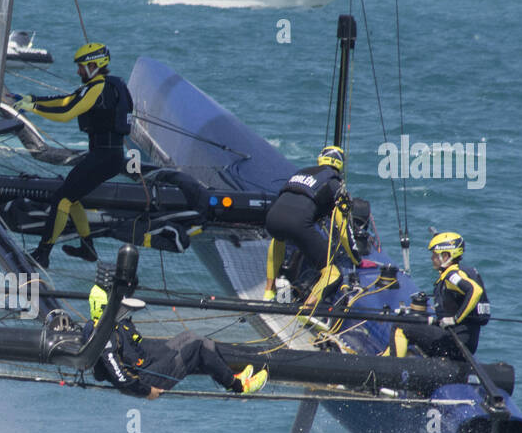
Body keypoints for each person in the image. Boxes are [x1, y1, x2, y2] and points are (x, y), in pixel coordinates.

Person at [11, 42, 134, 268]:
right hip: (106, 156)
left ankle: (42, 253)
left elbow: (67, 112)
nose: (78, 71)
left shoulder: (99, 88)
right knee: (71, 198)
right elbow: (66, 100)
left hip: (104, 158)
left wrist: (33, 109)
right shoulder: (98, 85)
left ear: (94, 65)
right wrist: (33, 99)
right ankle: (88, 249)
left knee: (62, 199)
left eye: (81, 67)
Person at [81, 282, 268, 398]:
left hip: (146, 362)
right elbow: (120, 378)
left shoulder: (110, 324)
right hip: (145, 379)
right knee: (198, 346)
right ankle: (238, 387)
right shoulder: (102, 334)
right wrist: (147, 391)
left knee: (191, 337)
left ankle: (229, 376)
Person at [263, 144, 357, 308]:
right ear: (341, 165)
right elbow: (343, 228)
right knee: (332, 273)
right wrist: (356, 257)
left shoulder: (301, 172)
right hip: (298, 225)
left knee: (278, 240)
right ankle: (307, 309)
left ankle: (268, 292)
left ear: (320, 158)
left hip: (272, 219)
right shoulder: (335, 183)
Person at [393, 232, 490, 358]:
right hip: (465, 344)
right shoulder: (458, 273)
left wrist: (455, 319)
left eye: (435, 255)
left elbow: (475, 290)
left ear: (446, 256)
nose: (432, 258)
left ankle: (392, 366)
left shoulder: (452, 276)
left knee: (400, 327)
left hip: (454, 343)